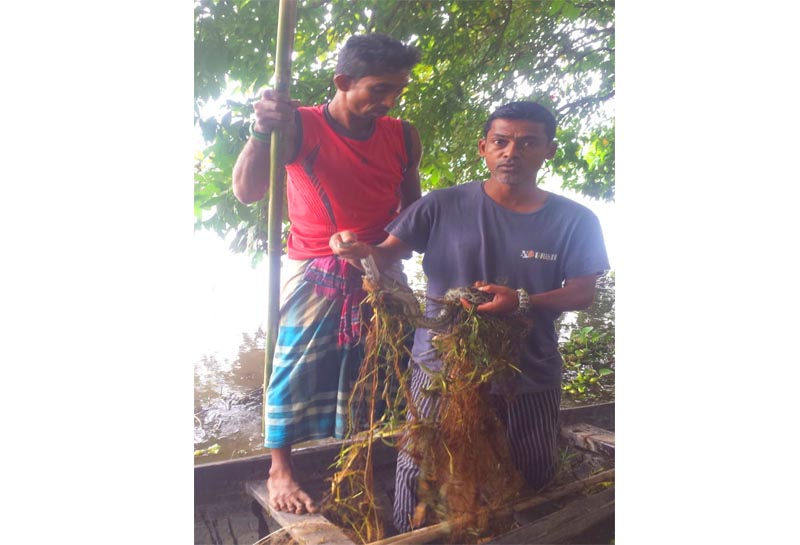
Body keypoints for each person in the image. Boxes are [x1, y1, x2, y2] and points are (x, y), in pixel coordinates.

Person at [329, 100, 610, 533]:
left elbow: (582, 292)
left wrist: (522, 301)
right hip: (440, 370)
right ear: (483, 147)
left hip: (528, 375)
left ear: (549, 151)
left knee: (531, 469)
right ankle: (412, 537)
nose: (511, 152)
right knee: (418, 470)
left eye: (527, 143)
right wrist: (356, 251)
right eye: (501, 141)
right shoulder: (441, 205)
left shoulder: (575, 221)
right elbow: (385, 255)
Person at [232, 33, 422, 515]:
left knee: (401, 364)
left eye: (396, 90)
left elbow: (414, 213)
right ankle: (280, 468)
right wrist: (261, 130)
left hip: (380, 265)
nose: (388, 101)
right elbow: (247, 191)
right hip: (317, 267)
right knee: (292, 371)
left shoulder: (403, 135)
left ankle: (384, 447)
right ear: (343, 81)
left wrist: (379, 250)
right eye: (378, 89)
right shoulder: (299, 126)